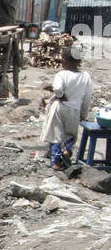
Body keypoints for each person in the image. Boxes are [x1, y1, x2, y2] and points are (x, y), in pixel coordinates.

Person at [39, 42, 92, 170]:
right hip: (74, 109)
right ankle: (67, 150)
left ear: (64, 60)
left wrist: (60, 94)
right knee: (70, 134)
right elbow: (87, 98)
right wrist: (83, 114)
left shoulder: (62, 74)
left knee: (56, 134)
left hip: (60, 107)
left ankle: (55, 162)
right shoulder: (85, 76)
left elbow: (57, 88)